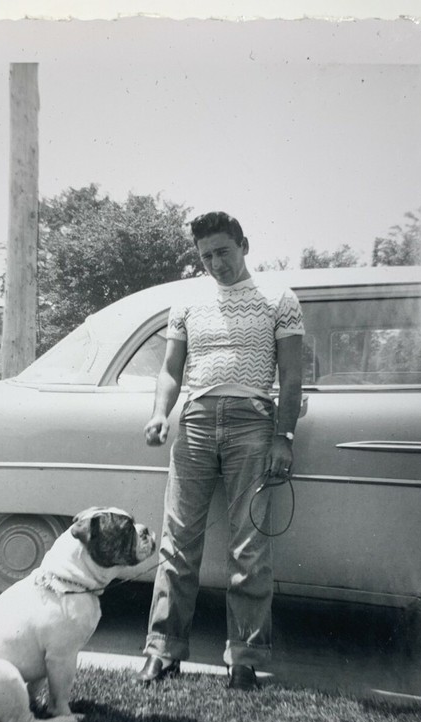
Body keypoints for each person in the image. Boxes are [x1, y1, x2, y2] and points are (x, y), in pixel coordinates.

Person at [136, 211, 304, 690]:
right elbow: (170, 371)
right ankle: (163, 651)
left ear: (244, 245)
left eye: (223, 253)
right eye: (206, 256)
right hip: (194, 422)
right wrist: (159, 413)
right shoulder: (186, 302)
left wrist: (283, 436)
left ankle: (244, 658)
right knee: (178, 542)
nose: (215, 263)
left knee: (249, 546)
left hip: (253, 422)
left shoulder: (279, 299)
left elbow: (291, 376)